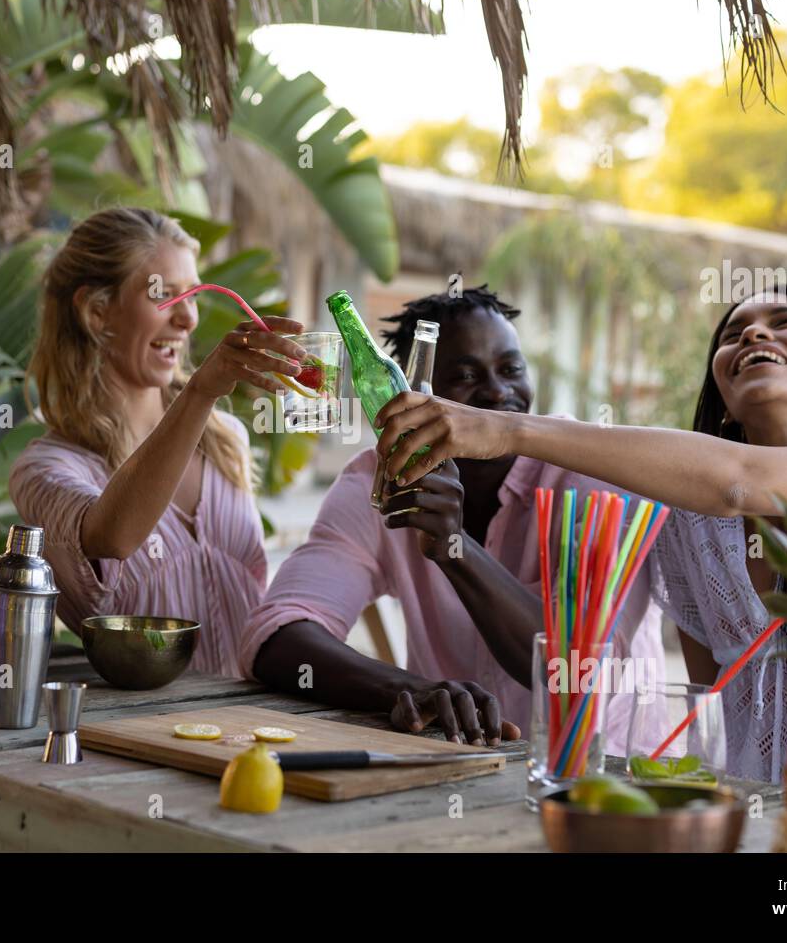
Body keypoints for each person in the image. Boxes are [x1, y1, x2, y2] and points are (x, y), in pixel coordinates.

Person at [374, 287, 787, 781]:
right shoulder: (689, 525)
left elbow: (737, 482)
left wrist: (506, 430)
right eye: (733, 333)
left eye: (784, 321)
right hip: (753, 817)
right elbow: (709, 698)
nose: (755, 333)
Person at [242, 286, 665, 747]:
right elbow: (277, 635)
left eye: (511, 369)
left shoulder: (590, 473)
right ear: (411, 393)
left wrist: (454, 548)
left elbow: (582, 672)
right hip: (460, 771)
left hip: (610, 781)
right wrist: (410, 689)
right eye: (464, 375)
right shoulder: (377, 480)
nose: (497, 391)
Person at [10, 207, 305, 677]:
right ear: (97, 311)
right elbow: (114, 537)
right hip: (137, 739)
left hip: (251, 732)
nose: (188, 319)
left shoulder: (226, 440)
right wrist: (201, 392)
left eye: (191, 295)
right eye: (164, 296)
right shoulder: (45, 470)